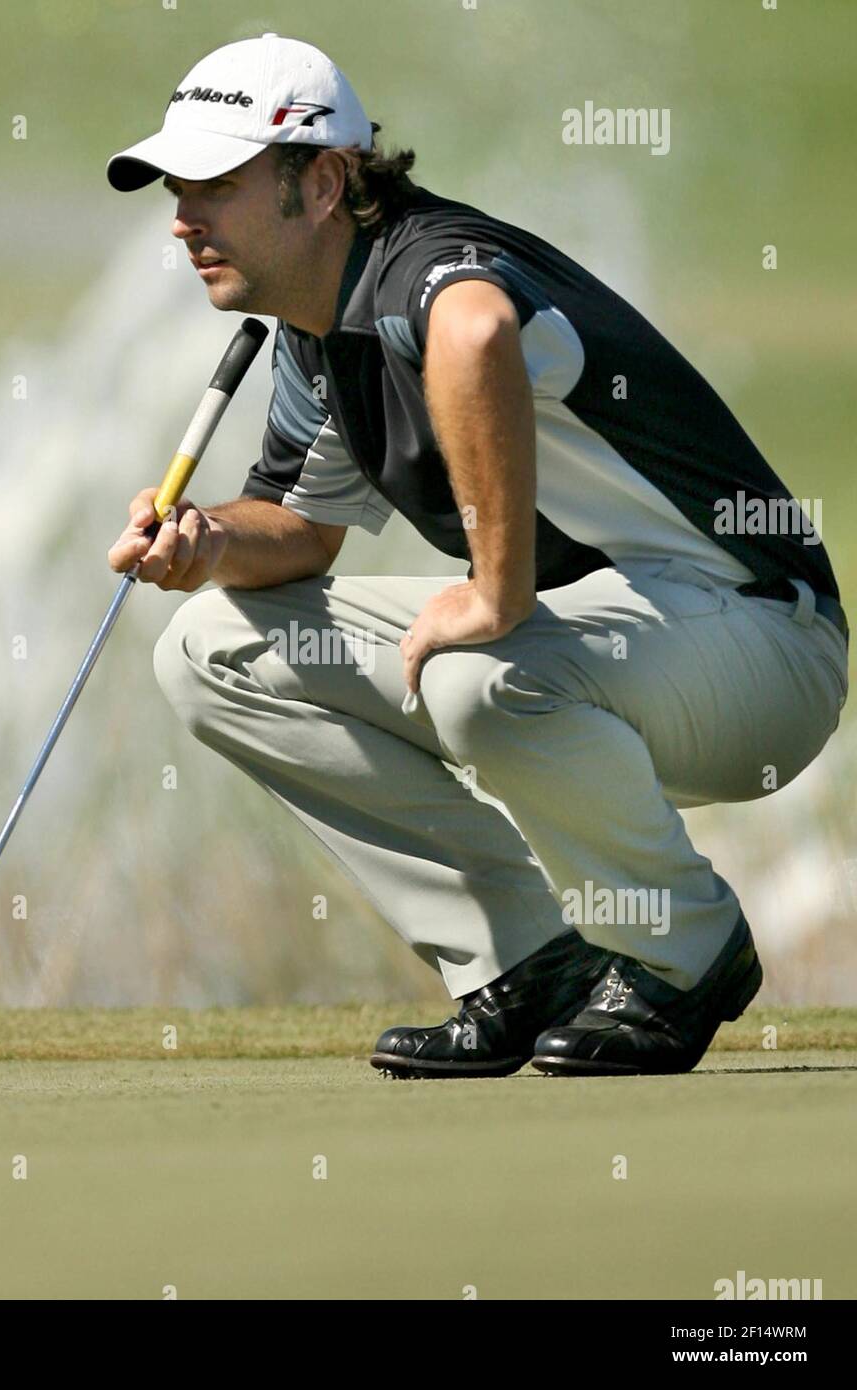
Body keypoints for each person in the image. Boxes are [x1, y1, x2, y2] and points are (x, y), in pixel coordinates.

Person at [105, 32, 849, 1077]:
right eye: (177, 189)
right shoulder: (319, 335)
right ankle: (523, 956)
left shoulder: (425, 267)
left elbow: (474, 334)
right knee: (207, 652)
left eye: (215, 186)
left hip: (764, 641)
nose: (183, 219)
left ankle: (682, 948)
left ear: (320, 184)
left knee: (475, 667)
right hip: (611, 652)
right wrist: (207, 540)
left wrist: (493, 594)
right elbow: (305, 538)